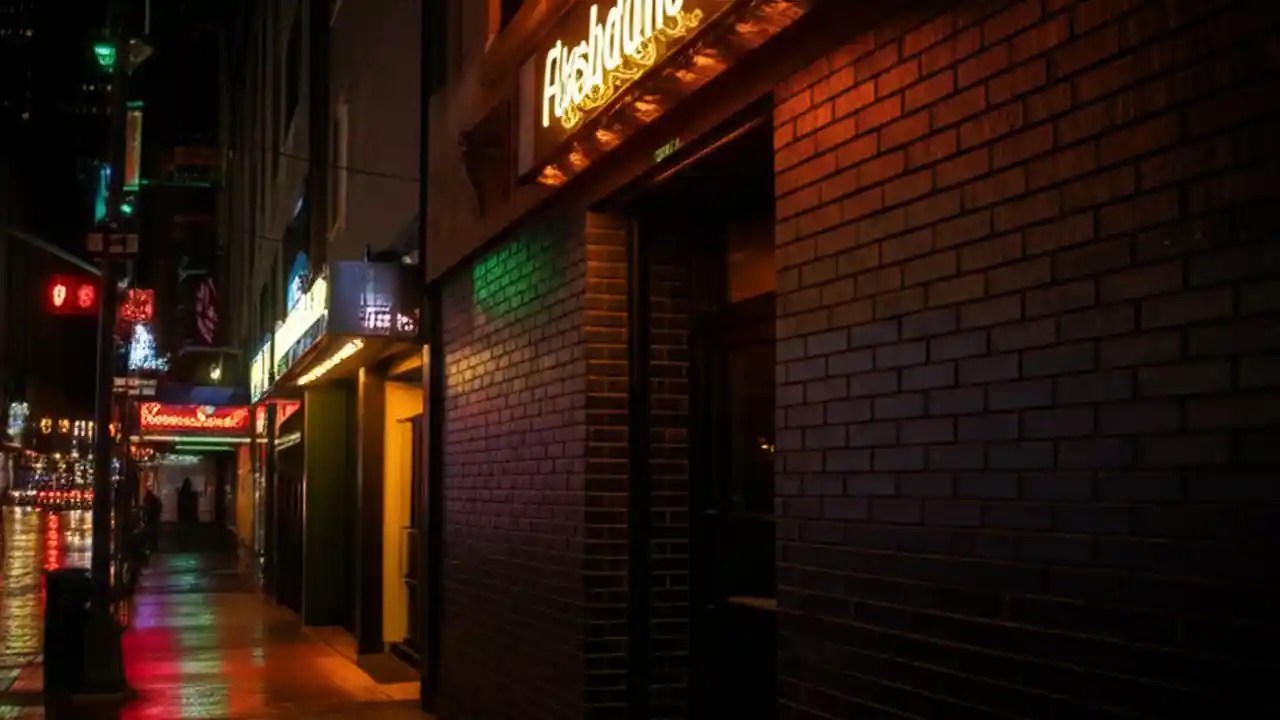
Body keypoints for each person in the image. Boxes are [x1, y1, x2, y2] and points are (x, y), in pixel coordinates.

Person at [142, 486, 162, 551]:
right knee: (153, 533)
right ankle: (154, 546)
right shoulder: (154, 499)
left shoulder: (150, 500)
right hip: (153, 518)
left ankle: (150, 545)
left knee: (150, 532)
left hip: (151, 518)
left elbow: (146, 509)